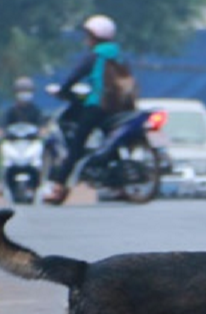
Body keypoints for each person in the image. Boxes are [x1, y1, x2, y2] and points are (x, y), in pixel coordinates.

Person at [43, 14, 125, 204]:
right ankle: (119, 184)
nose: (86, 39)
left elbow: (74, 76)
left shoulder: (95, 56)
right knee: (111, 143)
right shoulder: (117, 54)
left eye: (88, 35)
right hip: (118, 106)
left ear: (95, 36)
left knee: (76, 146)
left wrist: (63, 90)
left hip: (97, 105)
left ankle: (59, 188)